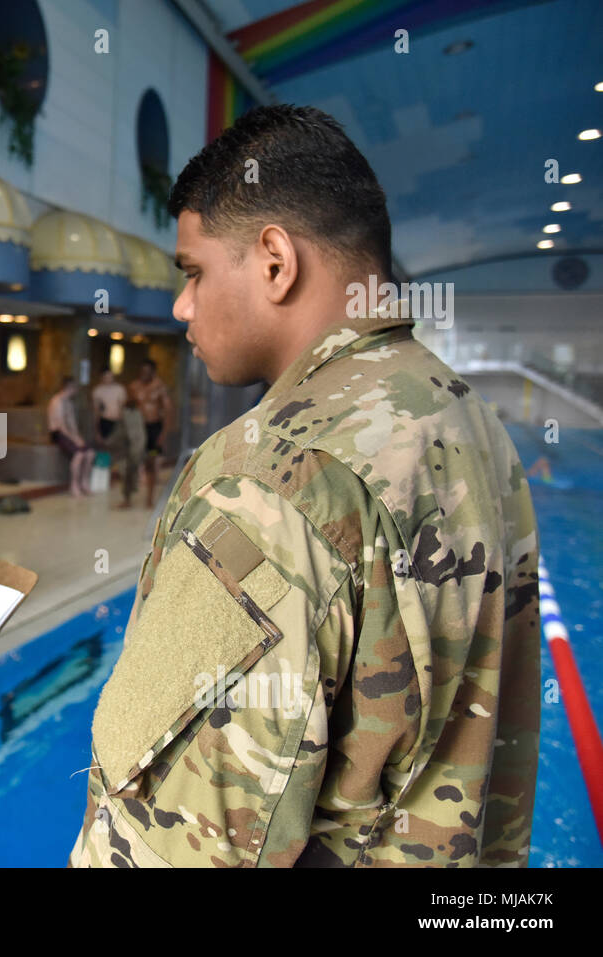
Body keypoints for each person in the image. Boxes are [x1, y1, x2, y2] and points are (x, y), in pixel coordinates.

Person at [70, 105, 539, 867]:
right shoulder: (469, 421)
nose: (181, 305)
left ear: (275, 262)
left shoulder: (268, 478)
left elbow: (168, 847)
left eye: (192, 271)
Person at [91, 368, 144, 509]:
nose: (109, 379)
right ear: (102, 377)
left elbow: (122, 408)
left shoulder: (119, 390)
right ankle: (112, 480)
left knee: (125, 459)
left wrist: (125, 427)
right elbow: (97, 412)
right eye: (106, 377)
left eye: (111, 376)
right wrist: (97, 431)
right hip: (106, 424)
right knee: (113, 455)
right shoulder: (98, 391)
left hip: (119, 424)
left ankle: (129, 485)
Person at [126, 358, 173, 506]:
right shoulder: (134, 387)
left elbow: (168, 411)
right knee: (131, 462)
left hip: (154, 429)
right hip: (138, 429)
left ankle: (149, 499)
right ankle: (127, 499)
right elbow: (128, 407)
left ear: (153, 372)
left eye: (147, 372)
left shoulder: (160, 387)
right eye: (142, 372)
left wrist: (163, 435)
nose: (144, 374)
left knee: (150, 463)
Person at [47, 376, 95, 497]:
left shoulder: (69, 402)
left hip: (68, 433)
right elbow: (61, 425)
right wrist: (75, 440)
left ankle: (84, 482)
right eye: (75, 387)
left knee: (90, 453)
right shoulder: (57, 401)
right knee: (79, 454)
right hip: (57, 433)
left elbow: (72, 423)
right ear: (69, 387)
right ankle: (74, 486)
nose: (77, 390)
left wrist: (79, 438)